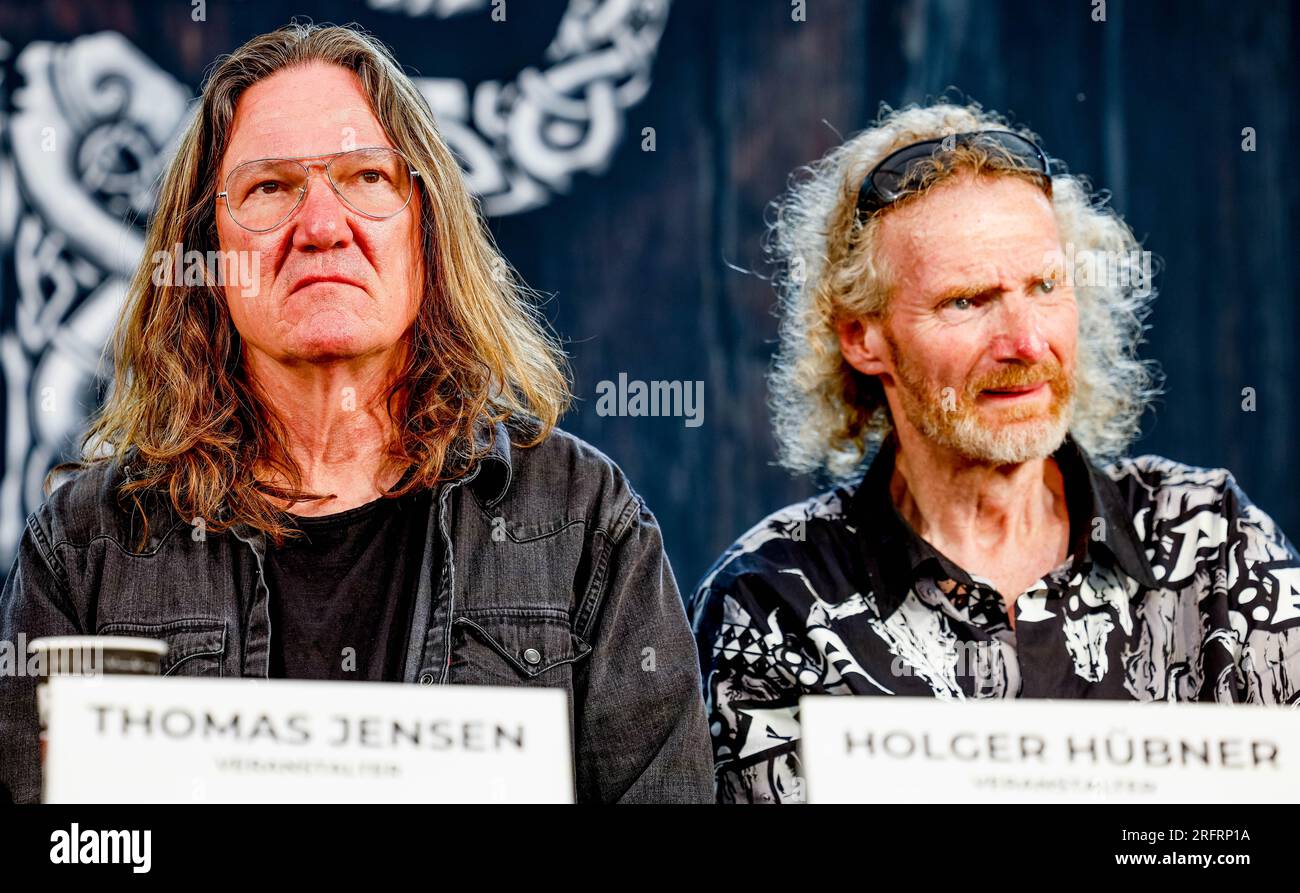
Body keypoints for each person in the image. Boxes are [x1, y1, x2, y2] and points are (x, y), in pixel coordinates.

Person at [0, 23, 712, 805]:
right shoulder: (87, 545)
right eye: (269, 187)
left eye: (366, 177)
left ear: (426, 227)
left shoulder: (582, 519)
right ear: (205, 252)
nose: (322, 226)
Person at [690, 100, 1300, 803]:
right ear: (863, 337)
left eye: (1045, 287)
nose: (1027, 342)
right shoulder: (773, 601)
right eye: (968, 301)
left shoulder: (1213, 548)